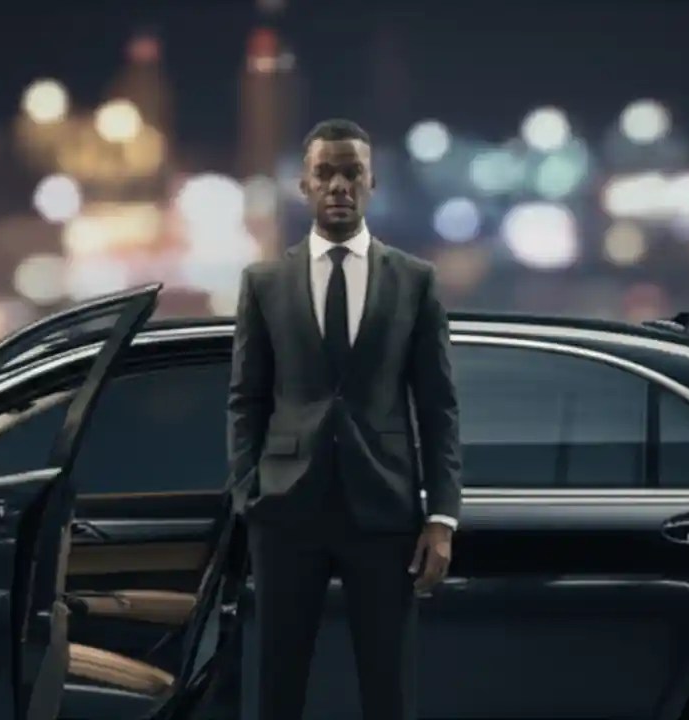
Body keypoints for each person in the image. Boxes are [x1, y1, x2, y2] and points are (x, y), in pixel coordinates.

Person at [226, 118, 463, 720]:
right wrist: (247, 495)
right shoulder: (264, 282)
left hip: (384, 514)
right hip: (285, 516)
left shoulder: (415, 280)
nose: (338, 185)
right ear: (303, 186)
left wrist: (441, 517)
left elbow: (437, 406)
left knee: (388, 692)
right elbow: (245, 400)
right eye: (324, 173)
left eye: (351, 173)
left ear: (372, 183)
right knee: (277, 689)